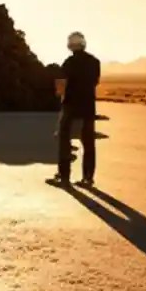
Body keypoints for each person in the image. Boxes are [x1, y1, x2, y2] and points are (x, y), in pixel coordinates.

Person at [49, 31, 100, 187]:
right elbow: (95, 82)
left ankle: (64, 177)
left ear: (70, 45)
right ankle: (88, 178)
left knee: (64, 139)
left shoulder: (68, 63)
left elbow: (60, 86)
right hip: (88, 107)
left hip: (71, 106)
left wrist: (60, 98)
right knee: (88, 142)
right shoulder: (94, 62)